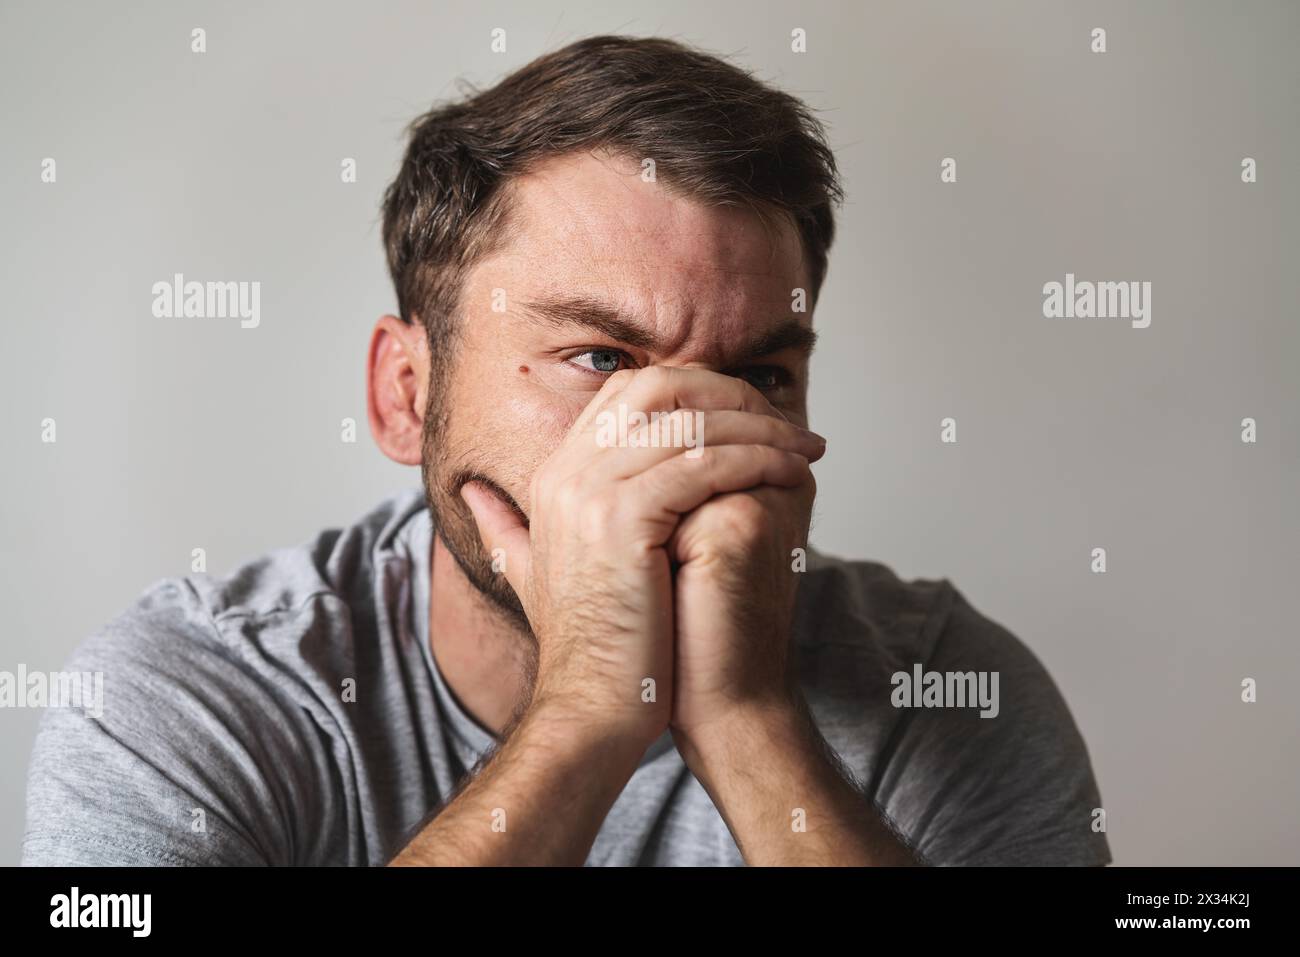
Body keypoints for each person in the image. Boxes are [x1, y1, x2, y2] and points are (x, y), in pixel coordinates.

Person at [22, 35, 1110, 867]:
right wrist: (585, 710)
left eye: (759, 377)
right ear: (406, 395)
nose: (681, 437)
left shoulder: (941, 690)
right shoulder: (187, 699)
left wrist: (748, 723)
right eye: (599, 358)